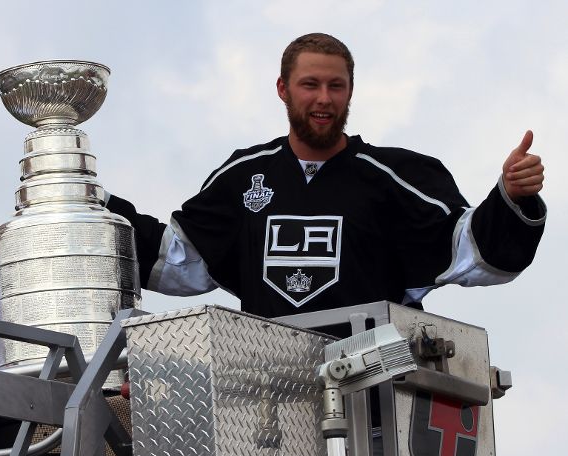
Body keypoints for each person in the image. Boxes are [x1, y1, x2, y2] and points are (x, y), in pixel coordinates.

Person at [105, 33, 546, 318]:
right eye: (310, 84)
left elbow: (468, 249)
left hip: (373, 400)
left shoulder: (395, 176)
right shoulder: (244, 177)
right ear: (283, 89)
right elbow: (182, 262)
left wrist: (511, 196)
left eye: (336, 86)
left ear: (350, 90)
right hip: (266, 402)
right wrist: (87, 204)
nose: (324, 99)